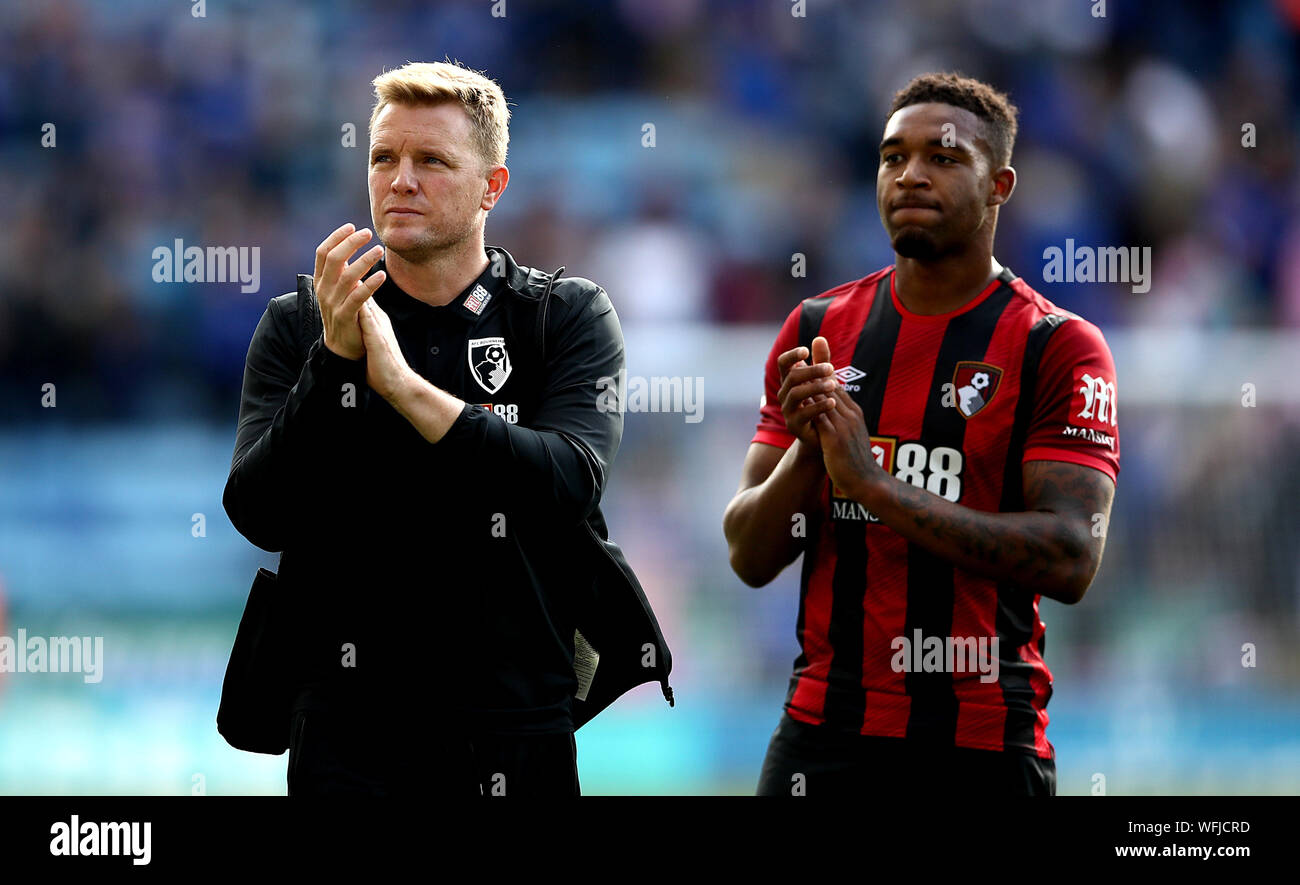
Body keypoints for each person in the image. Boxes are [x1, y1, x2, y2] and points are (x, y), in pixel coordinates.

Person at [222, 61, 671, 797]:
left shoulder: (562, 317)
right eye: (383, 157)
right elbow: (259, 513)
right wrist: (335, 362)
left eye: (431, 160)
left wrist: (402, 387)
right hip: (346, 729)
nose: (401, 179)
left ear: (492, 186)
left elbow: (568, 480)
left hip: (517, 724)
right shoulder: (303, 324)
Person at [723, 73, 1119, 796]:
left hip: (981, 745)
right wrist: (814, 453)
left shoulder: (1056, 345)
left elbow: (1070, 557)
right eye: (891, 156)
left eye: (942, 157)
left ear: (999, 185)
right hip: (821, 737)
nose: (909, 174)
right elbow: (749, 553)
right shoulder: (817, 329)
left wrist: (872, 483)